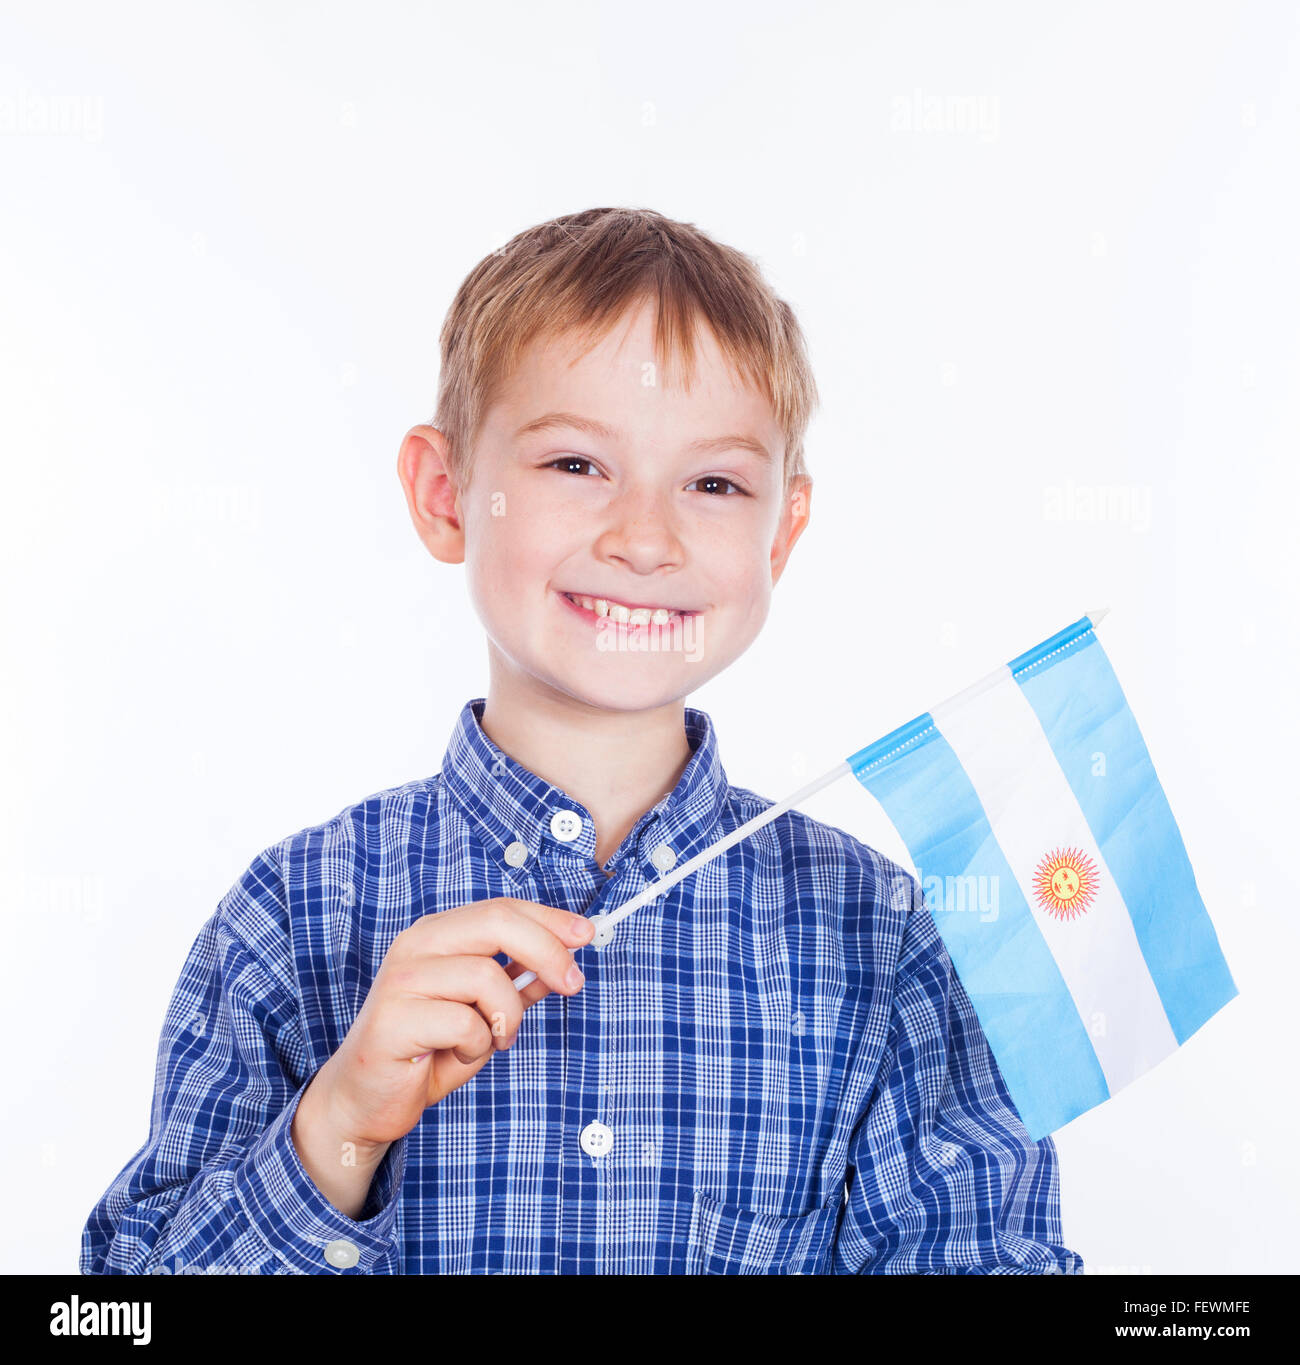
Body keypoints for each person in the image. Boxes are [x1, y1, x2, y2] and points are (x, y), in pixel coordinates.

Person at [81, 206, 1083, 1274]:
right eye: (573, 465)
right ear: (444, 493)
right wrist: (336, 1129)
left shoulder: (884, 939)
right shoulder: (292, 917)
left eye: (713, 484)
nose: (644, 538)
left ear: (780, 532)